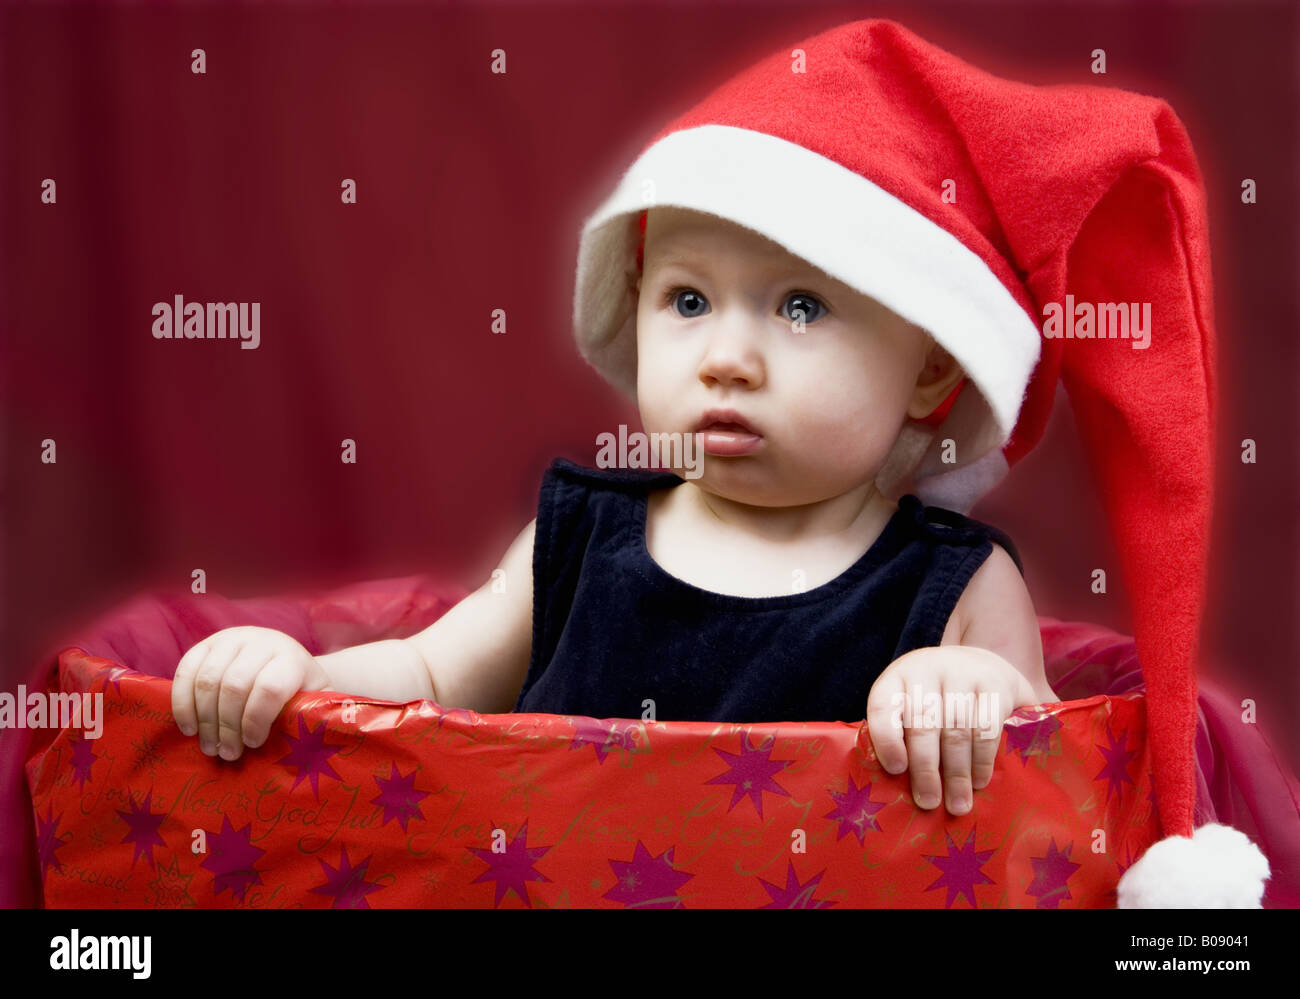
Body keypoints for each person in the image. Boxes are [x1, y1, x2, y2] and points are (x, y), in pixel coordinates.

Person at [172, 20, 1272, 907]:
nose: (726, 359)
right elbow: (425, 681)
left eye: (800, 308)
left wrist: (973, 687)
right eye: (687, 301)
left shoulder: (949, 580)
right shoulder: (577, 536)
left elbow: (1044, 759)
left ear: (931, 373)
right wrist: (296, 677)